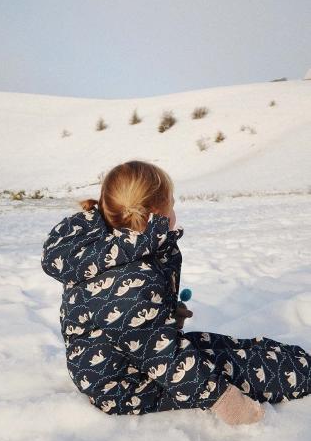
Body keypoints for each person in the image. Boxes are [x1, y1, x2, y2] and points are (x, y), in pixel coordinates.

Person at [41, 160, 311, 425]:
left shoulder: (105, 251)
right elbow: (166, 360)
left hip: (120, 366)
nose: (175, 209)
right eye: (173, 203)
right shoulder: (130, 278)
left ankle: (290, 358)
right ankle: (301, 372)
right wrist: (225, 400)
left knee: (227, 348)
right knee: (252, 369)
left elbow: (123, 325)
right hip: (127, 387)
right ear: (156, 213)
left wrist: (159, 316)